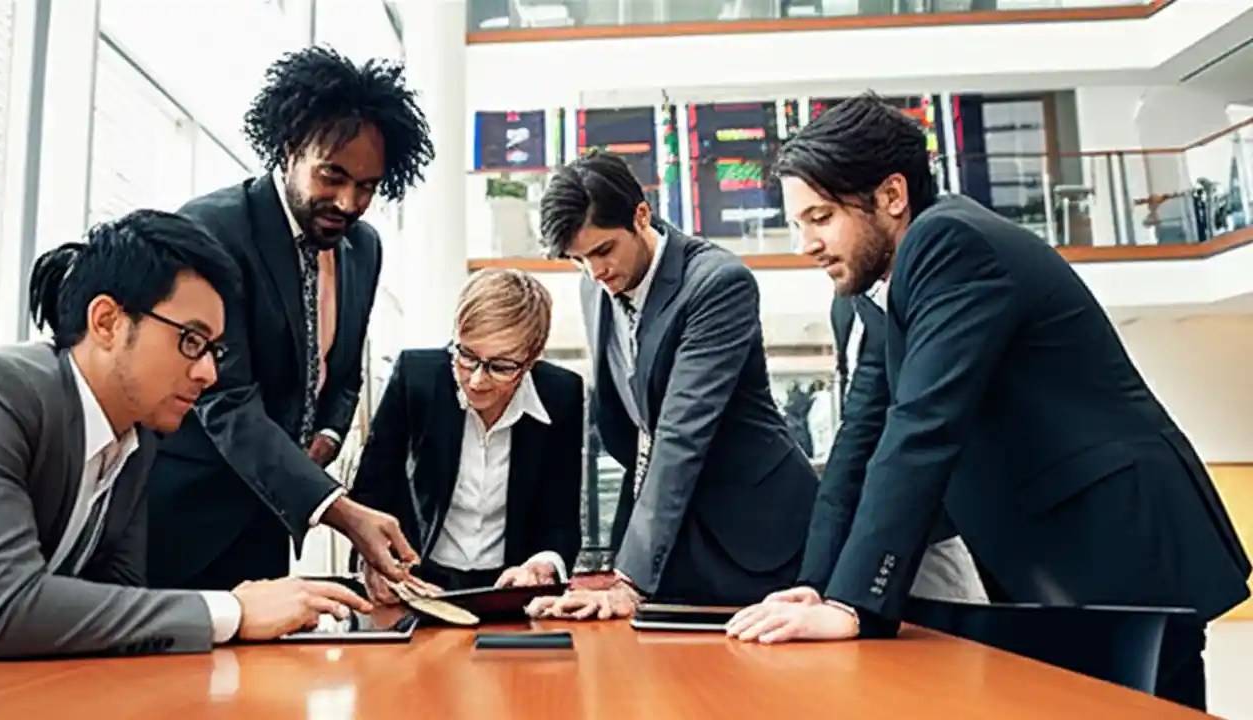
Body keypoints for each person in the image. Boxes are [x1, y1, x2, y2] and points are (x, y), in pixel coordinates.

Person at [724, 93, 1250, 712]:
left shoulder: (951, 243)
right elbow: (861, 442)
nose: (803, 244)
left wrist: (855, 604)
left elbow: (921, 427)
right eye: (797, 223)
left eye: (820, 218)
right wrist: (814, 588)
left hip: (1121, 543)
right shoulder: (873, 291)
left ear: (892, 196)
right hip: (1054, 552)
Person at [0, 210, 372, 659]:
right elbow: (1, 610)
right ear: (107, 322)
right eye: (190, 341)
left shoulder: (136, 439)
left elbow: (121, 597)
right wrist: (233, 612)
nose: (208, 373)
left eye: (213, 350)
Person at [145, 46, 436, 592]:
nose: (348, 202)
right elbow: (225, 399)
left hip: (268, 522)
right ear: (289, 147)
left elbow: (343, 370)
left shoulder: (363, 248)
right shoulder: (214, 230)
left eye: (368, 186)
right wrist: (341, 510)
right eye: (333, 175)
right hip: (185, 522)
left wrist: (326, 432)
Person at [526, 150, 818, 620]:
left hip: (757, 533)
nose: (596, 272)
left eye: (603, 251)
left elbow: (681, 432)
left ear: (641, 216)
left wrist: (630, 579)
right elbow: (634, 423)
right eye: (579, 260)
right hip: (674, 535)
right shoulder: (596, 286)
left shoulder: (717, 284)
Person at [349, 269, 584, 598]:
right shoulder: (416, 377)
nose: (476, 380)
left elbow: (561, 516)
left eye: (501, 366)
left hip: (509, 588)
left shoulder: (561, 395)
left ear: (532, 358)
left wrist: (543, 565)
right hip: (418, 580)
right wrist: (377, 562)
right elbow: (372, 491)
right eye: (466, 356)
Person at [793, 285, 988, 605]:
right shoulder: (847, 304)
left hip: (941, 521)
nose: (809, 246)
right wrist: (813, 580)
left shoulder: (934, 291)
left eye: (822, 229)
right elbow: (857, 433)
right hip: (871, 524)